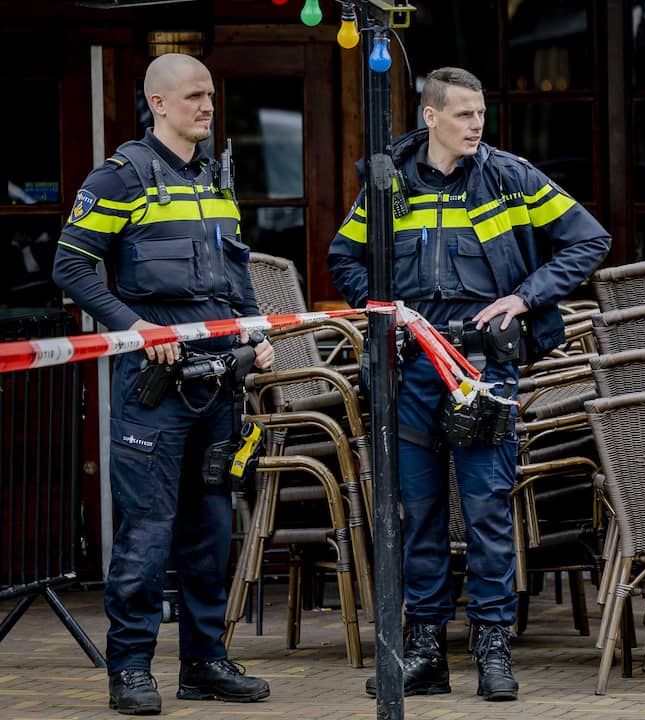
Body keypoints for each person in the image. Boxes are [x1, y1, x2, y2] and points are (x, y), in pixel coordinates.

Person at [329, 66, 610, 702]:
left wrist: (523, 297)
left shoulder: (509, 176)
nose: (476, 125)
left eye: (480, 113)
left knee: (486, 510)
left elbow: (589, 239)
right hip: (410, 368)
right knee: (417, 513)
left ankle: (491, 649)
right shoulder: (389, 184)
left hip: (484, 369)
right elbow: (344, 256)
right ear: (430, 117)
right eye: (463, 114)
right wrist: (384, 311)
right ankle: (424, 652)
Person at [52, 53, 274, 716]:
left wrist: (252, 334)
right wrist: (139, 326)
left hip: (217, 382)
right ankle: (130, 670)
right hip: (153, 386)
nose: (207, 106)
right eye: (195, 96)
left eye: (210, 96)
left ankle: (204, 662)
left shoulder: (213, 177)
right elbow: (73, 265)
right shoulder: (120, 178)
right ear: (159, 103)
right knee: (148, 533)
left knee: (210, 529)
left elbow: (233, 275)